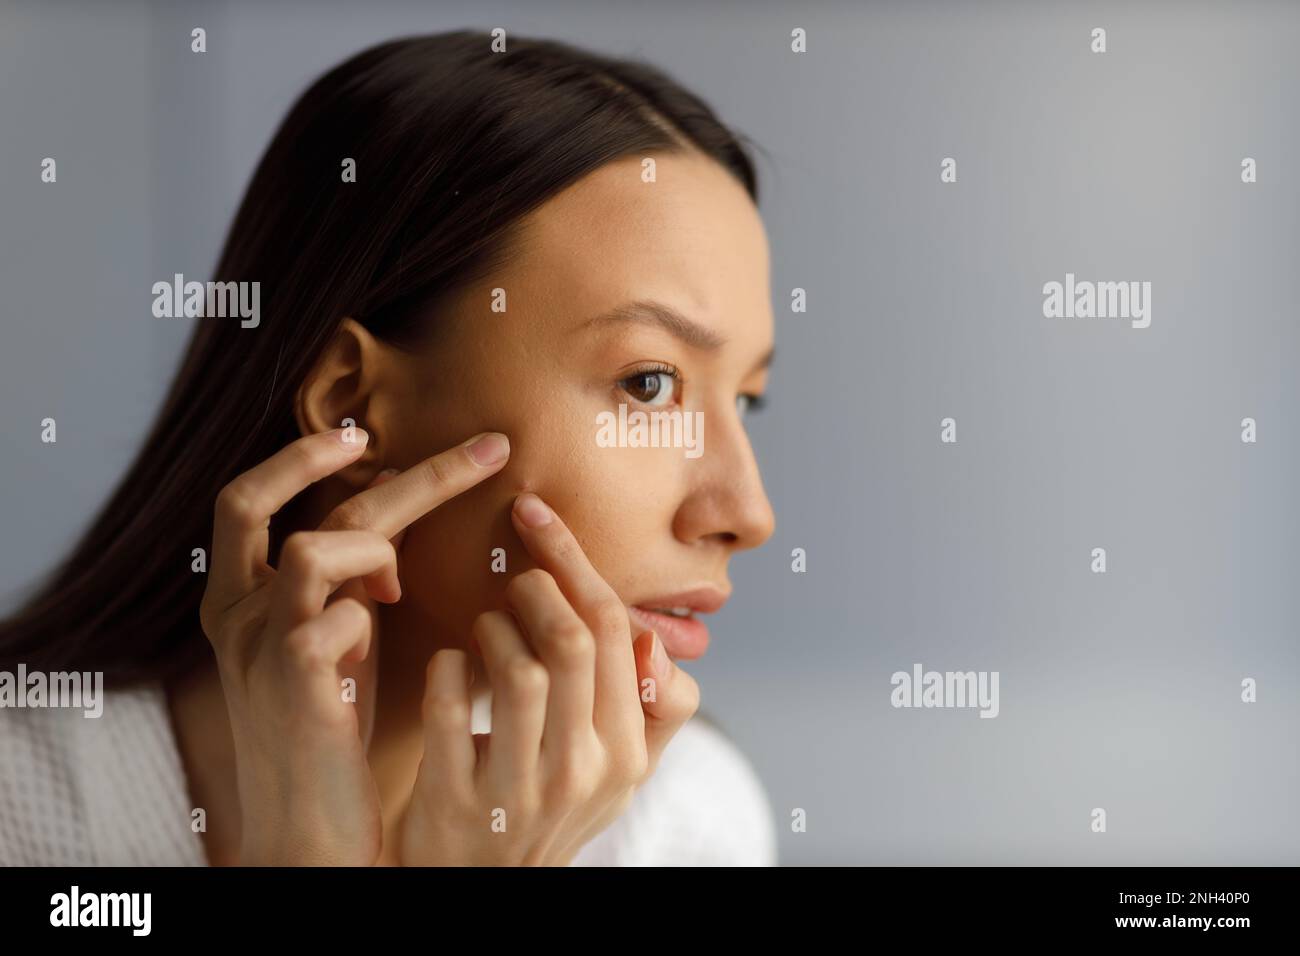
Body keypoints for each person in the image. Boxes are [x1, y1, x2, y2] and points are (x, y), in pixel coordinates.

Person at [0, 30, 778, 866]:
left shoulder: (689, 819)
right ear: (351, 405)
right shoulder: (25, 803)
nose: (747, 513)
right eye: (650, 385)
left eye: (745, 400)